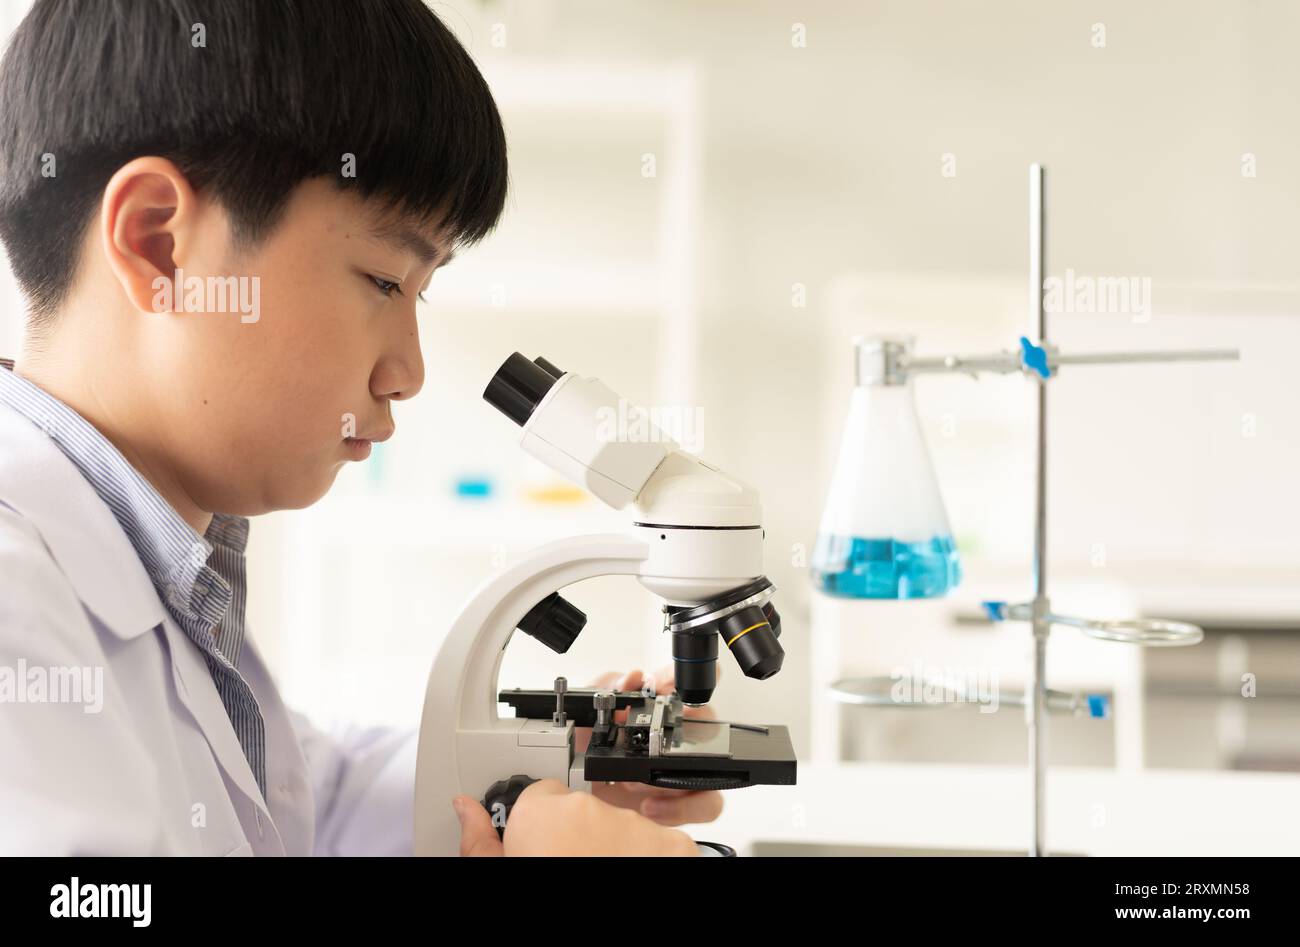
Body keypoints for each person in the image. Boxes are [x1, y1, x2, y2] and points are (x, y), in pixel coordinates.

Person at [0, 0, 719, 856]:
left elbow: (305, 805)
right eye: (384, 279)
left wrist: (550, 765)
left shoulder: (166, 563)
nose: (407, 373)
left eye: (421, 292)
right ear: (160, 243)